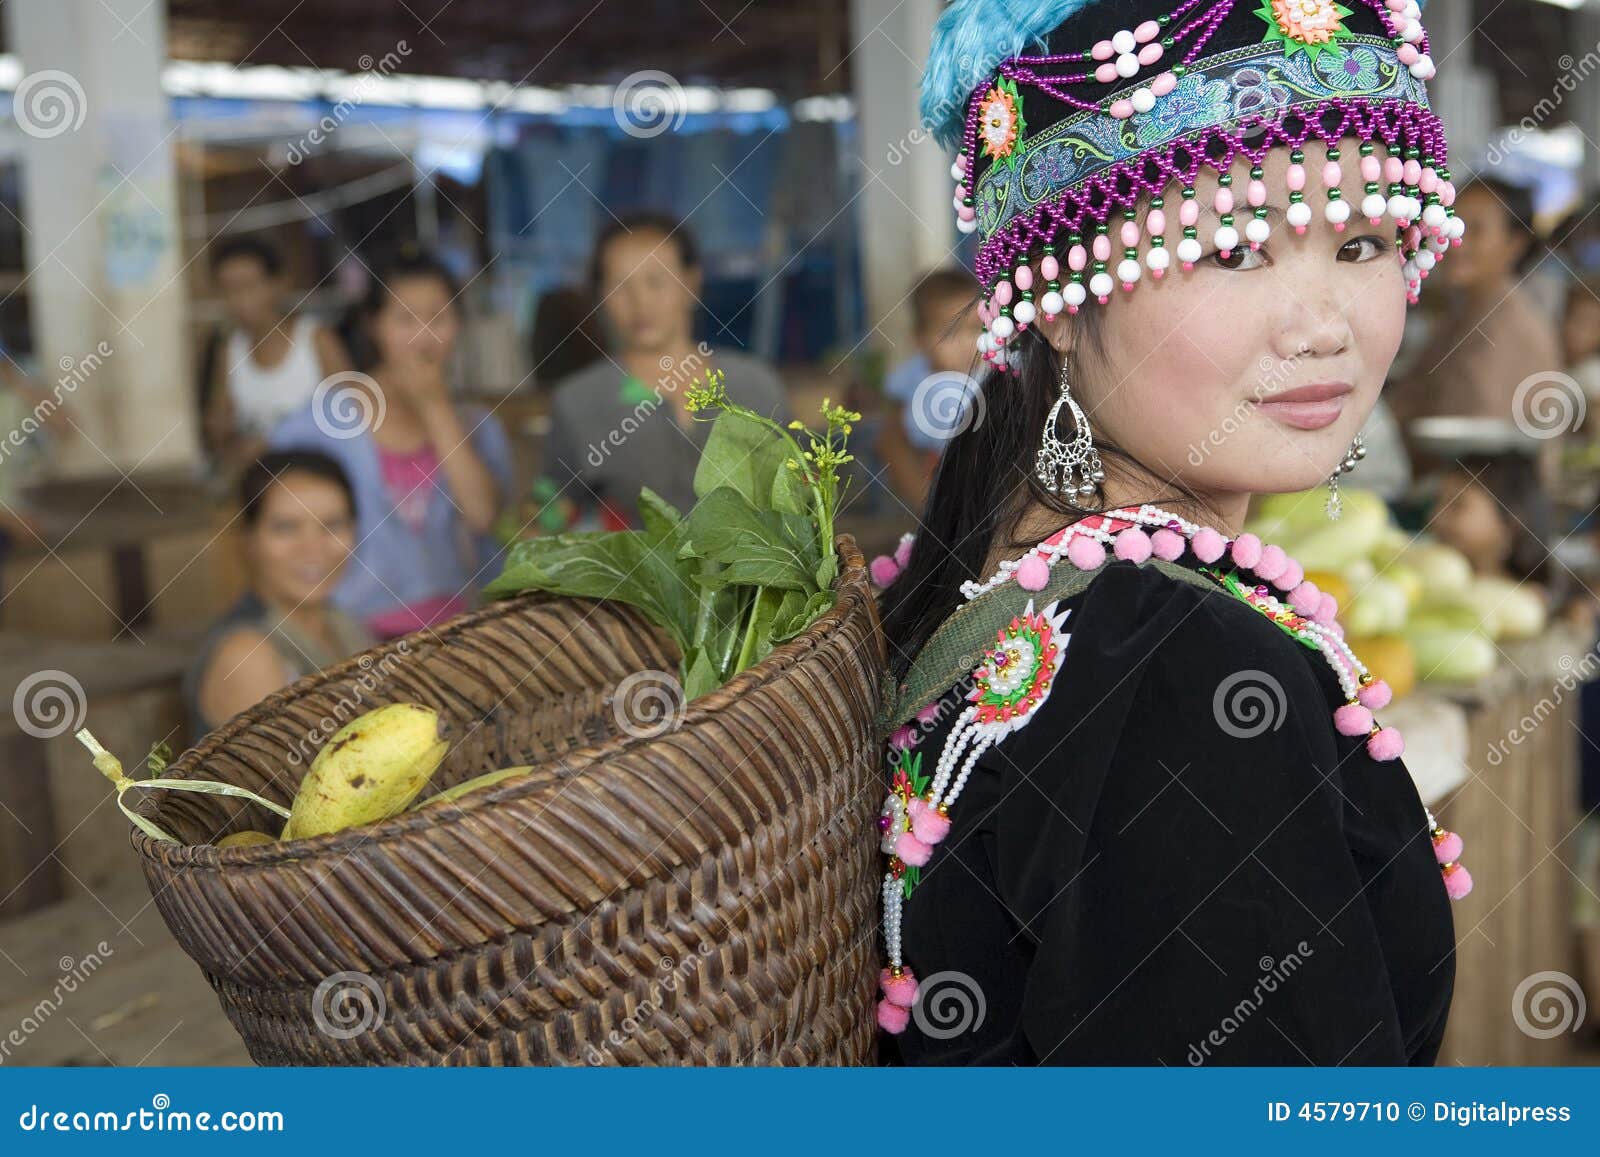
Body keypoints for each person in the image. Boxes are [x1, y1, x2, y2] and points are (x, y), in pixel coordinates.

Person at [870, 0, 1467, 1066]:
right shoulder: (1180, 670)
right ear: (1057, 299)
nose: (1323, 322)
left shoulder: (1026, 578)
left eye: (1363, 239)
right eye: (1233, 249)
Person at [269, 248, 516, 640]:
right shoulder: (320, 424)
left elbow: (483, 517)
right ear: (374, 326)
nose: (423, 338)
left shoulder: (481, 428)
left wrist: (436, 409)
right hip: (350, 639)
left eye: (438, 318)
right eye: (405, 319)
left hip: (461, 634)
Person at [532, 212, 791, 530]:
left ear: (692, 283)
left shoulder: (756, 385)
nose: (640, 302)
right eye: (620, 286)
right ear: (601, 295)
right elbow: (550, 508)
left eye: (656, 281)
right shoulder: (578, 402)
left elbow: (798, 498)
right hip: (636, 578)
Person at [183, 451, 375, 741]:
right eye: (286, 527)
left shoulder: (345, 626)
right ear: (247, 539)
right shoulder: (247, 656)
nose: (312, 548)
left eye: (332, 525)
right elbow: (285, 783)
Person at [1386, 176, 1564, 483]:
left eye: (1477, 231)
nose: (1456, 242)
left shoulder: (1512, 329)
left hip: (1493, 512)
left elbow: (1480, 444)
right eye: (1452, 224)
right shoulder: (1461, 313)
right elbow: (1410, 398)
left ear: (1515, 244)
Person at [203, 237, 352, 477]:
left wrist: (276, 439)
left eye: (248, 286)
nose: (238, 300)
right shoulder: (230, 349)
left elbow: (349, 415)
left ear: (279, 284)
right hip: (261, 481)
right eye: (228, 289)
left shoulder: (316, 339)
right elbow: (220, 428)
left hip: (319, 477)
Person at [876, 268, 983, 509]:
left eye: (977, 328)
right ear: (921, 338)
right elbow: (892, 432)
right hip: (934, 473)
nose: (967, 344)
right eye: (951, 333)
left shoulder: (994, 372)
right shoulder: (914, 377)